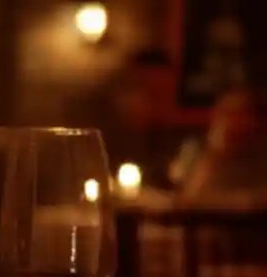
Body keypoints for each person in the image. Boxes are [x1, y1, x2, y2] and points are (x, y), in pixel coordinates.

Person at [102, 49, 185, 190]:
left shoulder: (180, 144)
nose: (161, 104)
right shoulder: (101, 144)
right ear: (123, 94)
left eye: (167, 94)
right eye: (153, 93)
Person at [171, 87, 267, 202]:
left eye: (241, 114)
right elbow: (185, 197)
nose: (235, 121)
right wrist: (214, 155)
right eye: (228, 114)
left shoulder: (260, 155)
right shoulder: (194, 149)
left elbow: (257, 202)